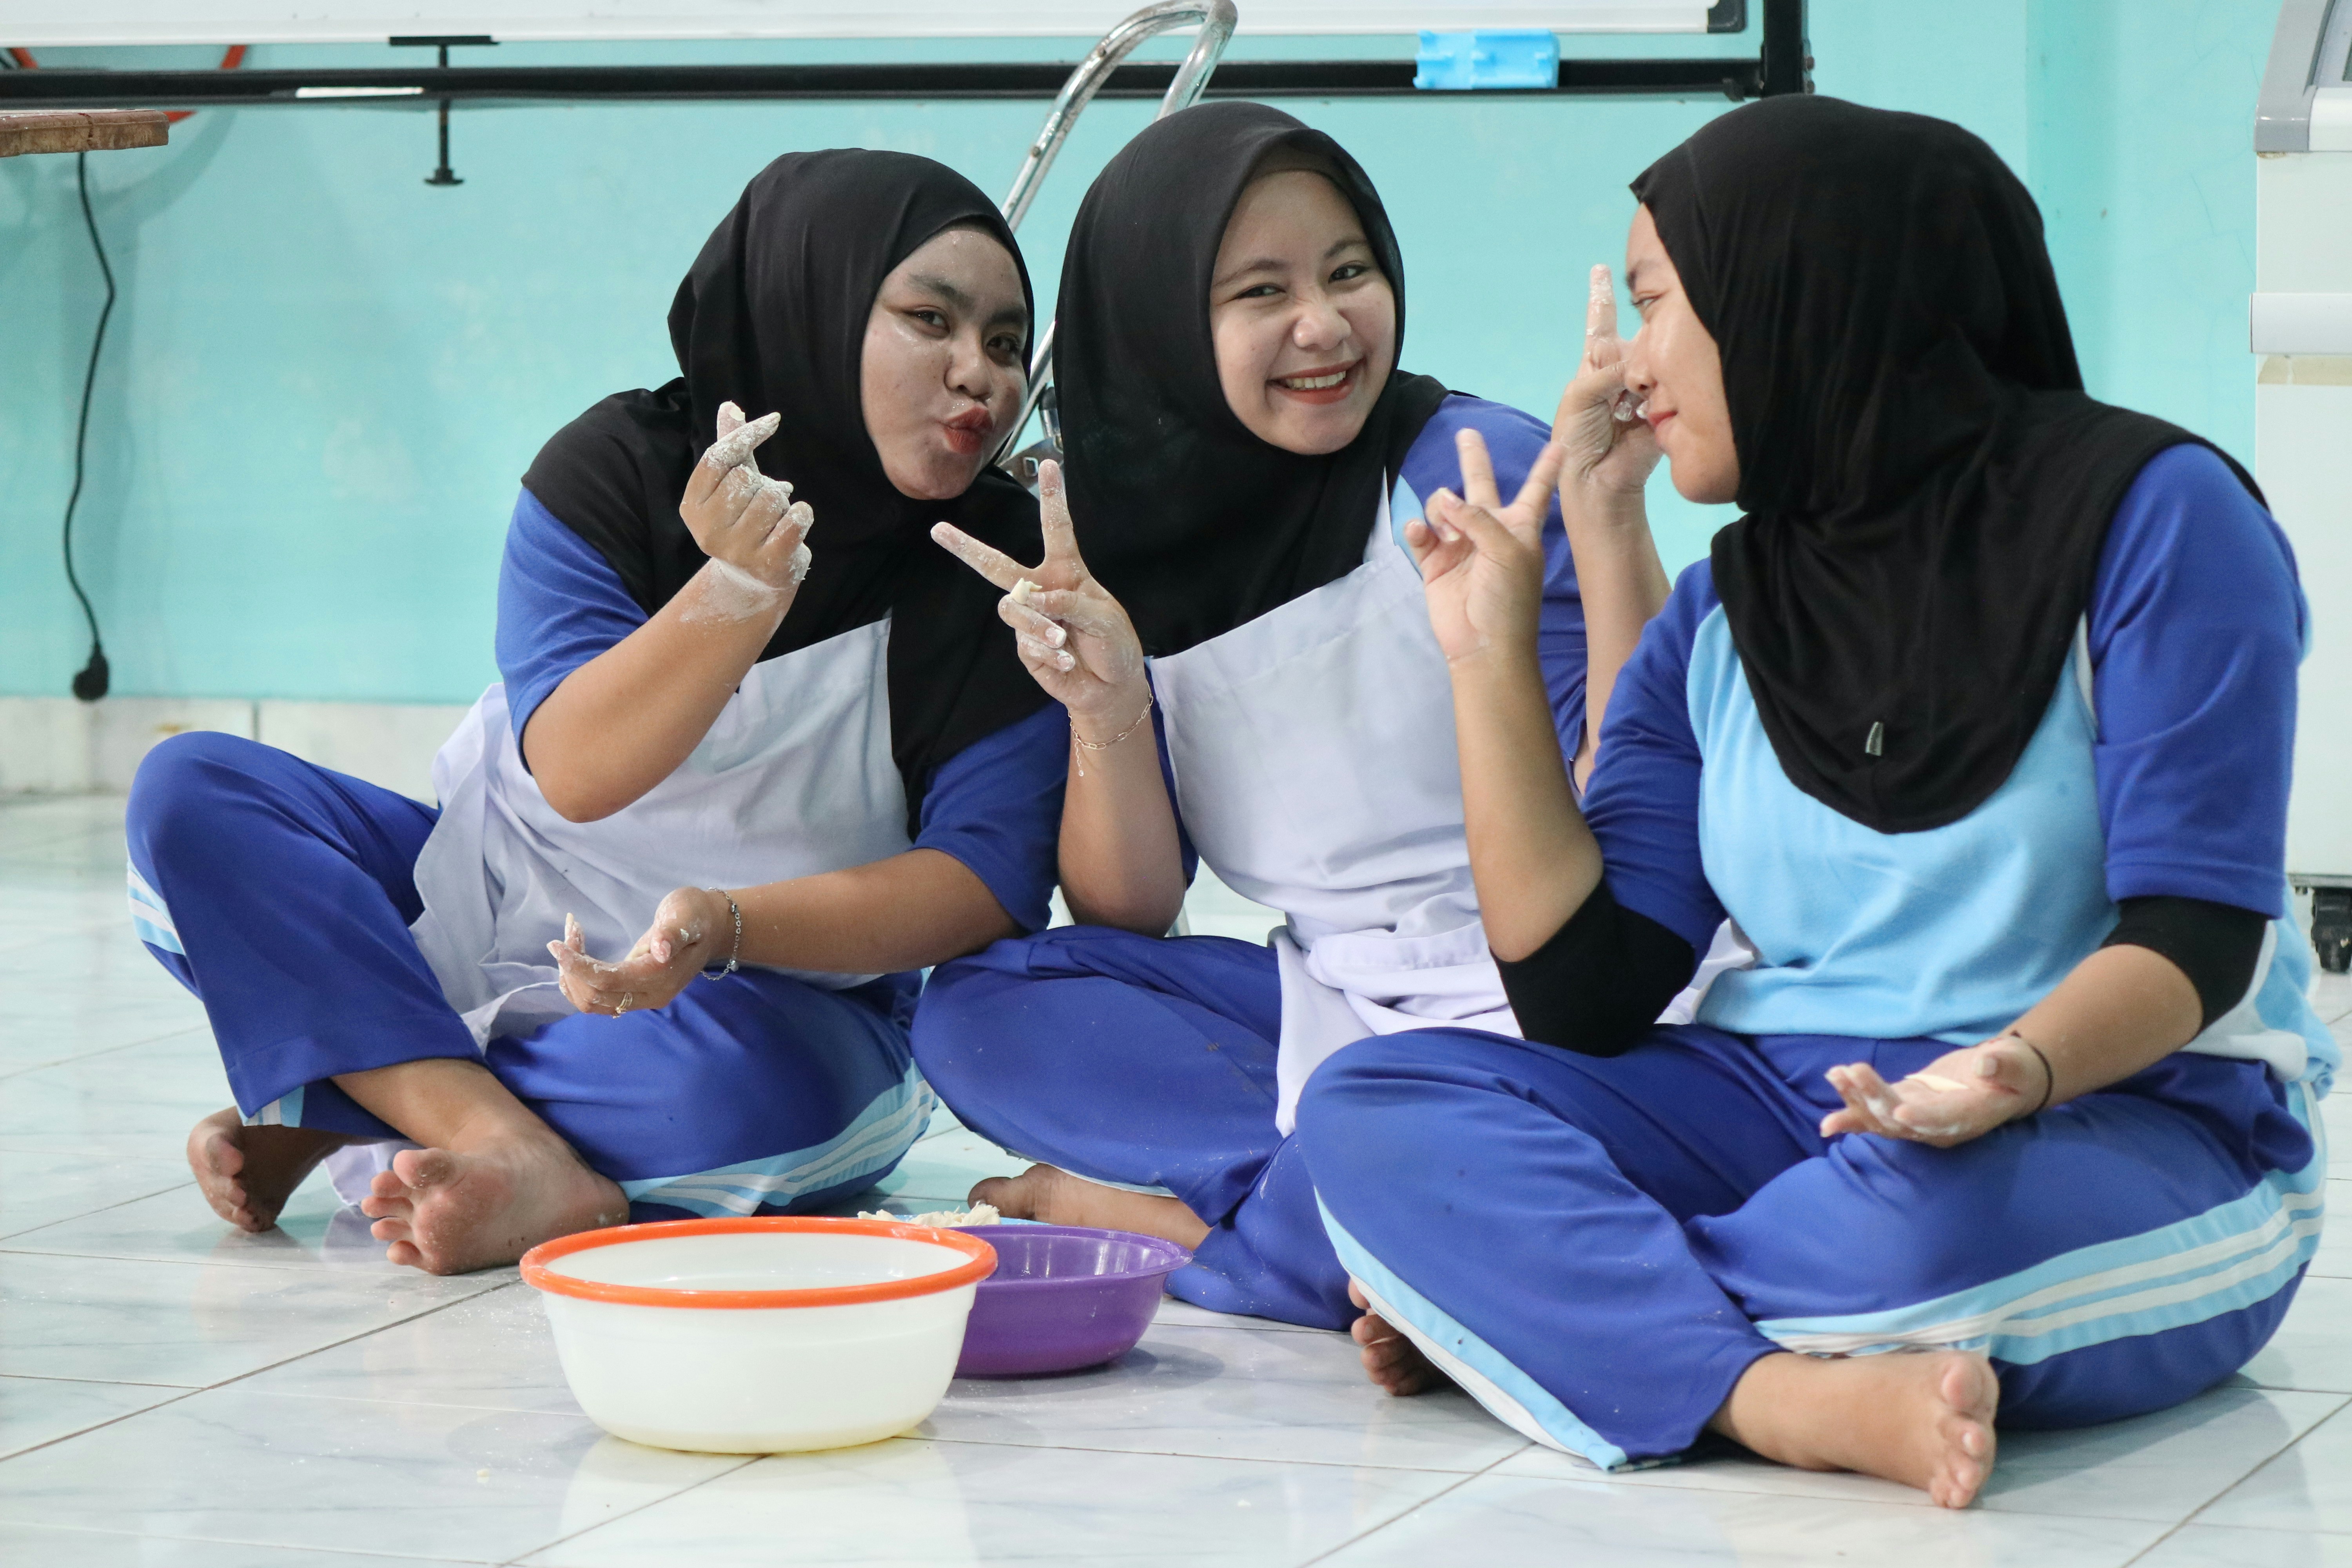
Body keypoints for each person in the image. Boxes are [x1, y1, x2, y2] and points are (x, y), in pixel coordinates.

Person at [1293, 96, 2334, 1509]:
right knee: (1375, 1106)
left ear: (1803, 288)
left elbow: (2197, 934)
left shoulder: (2158, 515)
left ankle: (1553, 1319)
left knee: (1913, 1238)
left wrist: (2004, 1074)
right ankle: (1782, 1399)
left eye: (1660, 302)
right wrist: (1482, 656)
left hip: (2114, 1106)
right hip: (1782, 1104)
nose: (1626, 363)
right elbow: (1586, 995)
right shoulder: (1726, 609)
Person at [126, 149, 1067, 1275]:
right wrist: (736, 594)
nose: (984, 377)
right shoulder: (616, 468)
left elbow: (987, 885)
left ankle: (359, 1091)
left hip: (759, 994)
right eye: (932, 320)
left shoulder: (999, 561)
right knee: (194, 799)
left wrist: (722, 928)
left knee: (759, 1103)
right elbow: (574, 770)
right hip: (486, 909)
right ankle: (498, 1143)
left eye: (1007, 344)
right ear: (807, 305)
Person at [917, 100, 1680, 1329]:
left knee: (1516, 1141)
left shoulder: (1463, 469)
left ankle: (1228, 1237)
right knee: (979, 1010)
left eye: (1349, 272)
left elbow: (1642, 796)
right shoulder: (1112, 552)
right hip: (1347, 1005)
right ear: (1162, 322)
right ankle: (1343, 1212)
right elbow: (1132, 910)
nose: (1324, 326)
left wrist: (1608, 516)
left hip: (1571, 996)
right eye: (1258, 293)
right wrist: (1108, 709)